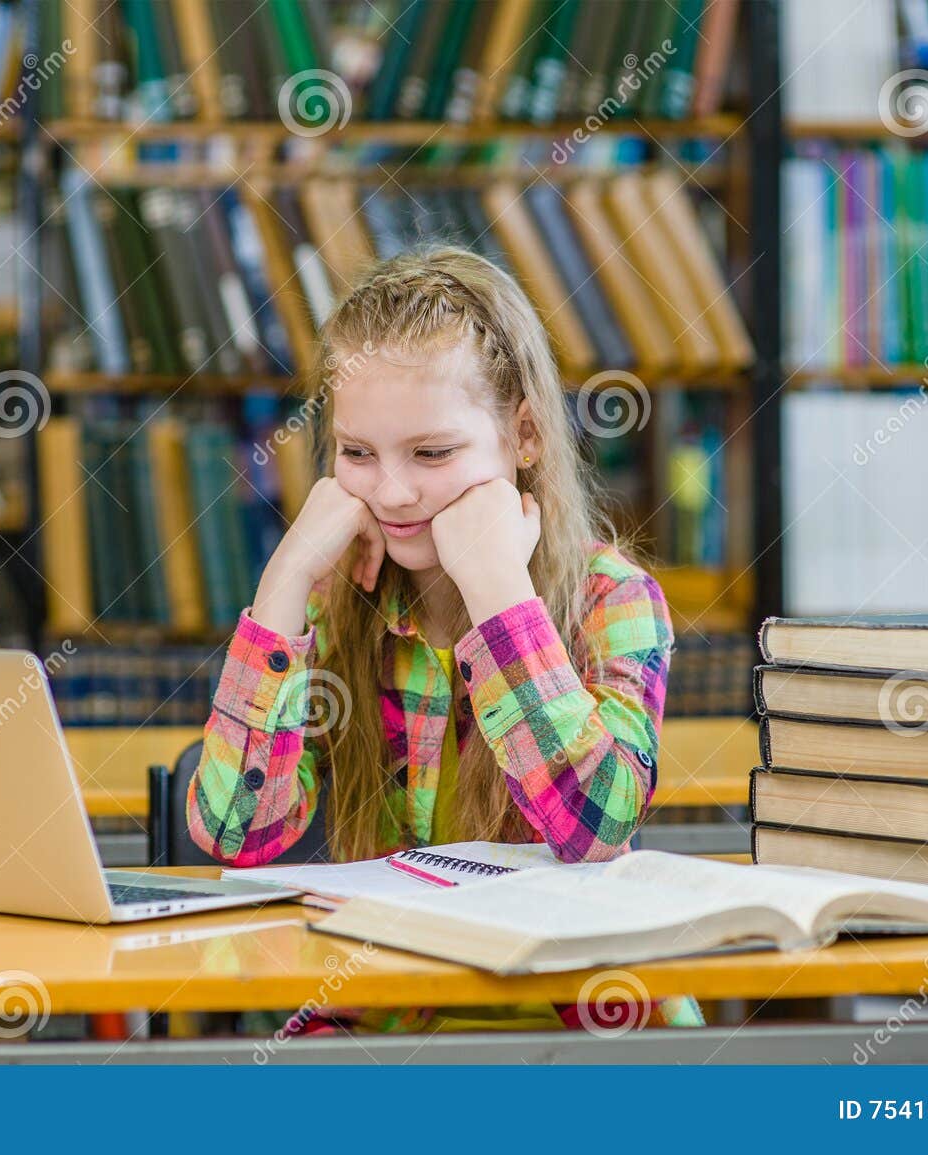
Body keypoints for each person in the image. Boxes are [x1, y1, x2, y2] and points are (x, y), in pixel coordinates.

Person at [188, 245, 703, 1034]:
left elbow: (597, 824)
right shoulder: (332, 605)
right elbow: (237, 834)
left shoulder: (612, 598)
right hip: (388, 1026)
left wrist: (498, 590)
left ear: (524, 434)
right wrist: (284, 581)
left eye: (433, 453)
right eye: (357, 453)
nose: (391, 492)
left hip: (587, 1031)